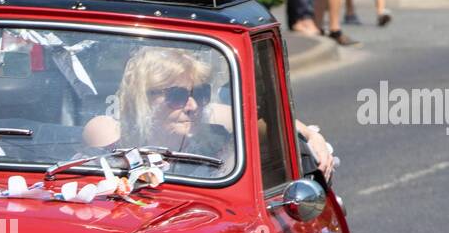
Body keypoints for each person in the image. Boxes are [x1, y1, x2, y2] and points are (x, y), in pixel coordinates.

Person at [81, 46, 337, 181]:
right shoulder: (109, 130)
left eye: (201, 93)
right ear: (143, 97)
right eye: (176, 95)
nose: (193, 105)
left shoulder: (207, 118)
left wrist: (311, 137)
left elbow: (267, 121)